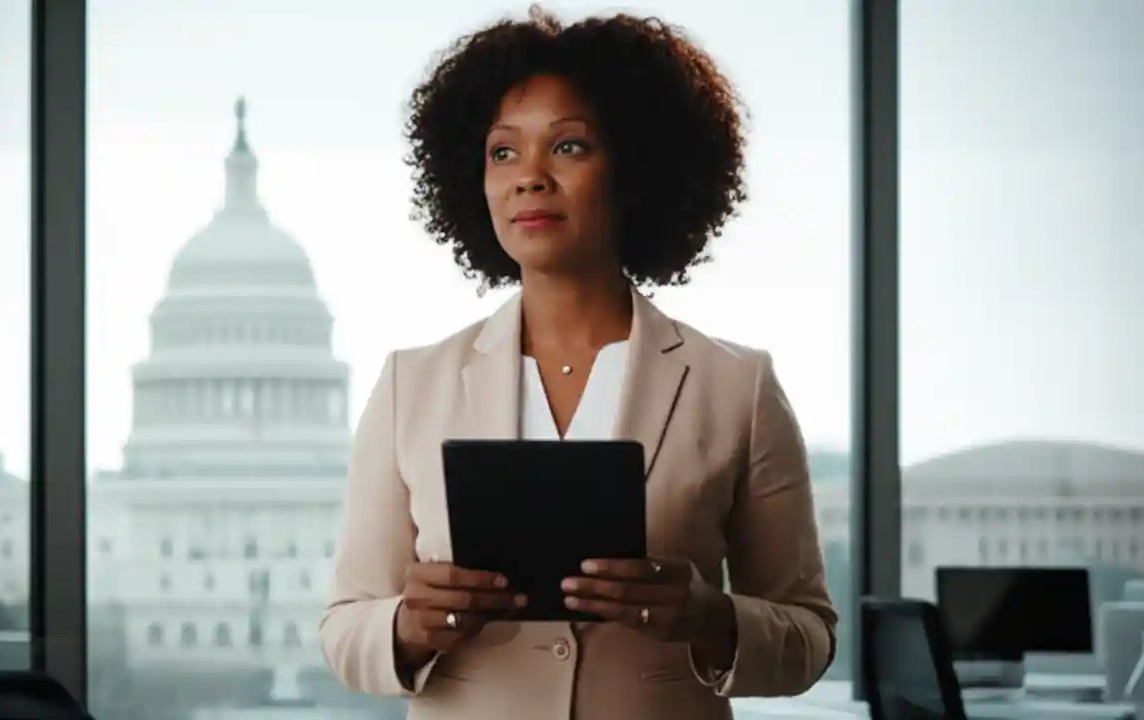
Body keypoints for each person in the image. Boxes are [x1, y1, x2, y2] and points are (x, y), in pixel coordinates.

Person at [319, 6, 836, 719]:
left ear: (636, 168)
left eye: (568, 147)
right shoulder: (413, 385)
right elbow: (344, 628)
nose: (529, 177)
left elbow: (808, 637)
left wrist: (708, 617)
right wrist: (407, 626)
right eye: (503, 152)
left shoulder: (737, 387)